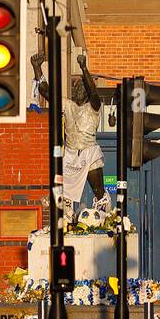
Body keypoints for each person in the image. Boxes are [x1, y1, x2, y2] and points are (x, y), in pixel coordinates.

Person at [31, 50, 109, 221]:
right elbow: (46, 91)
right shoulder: (67, 104)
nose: (78, 90)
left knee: (98, 191)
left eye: (82, 87)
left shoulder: (93, 107)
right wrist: (37, 68)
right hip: (71, 152)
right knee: (61, 191)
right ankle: (63, 220)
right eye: (76, 87)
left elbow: (94, 93)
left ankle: (102, 217)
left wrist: (83, 68)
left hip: (89, 151)